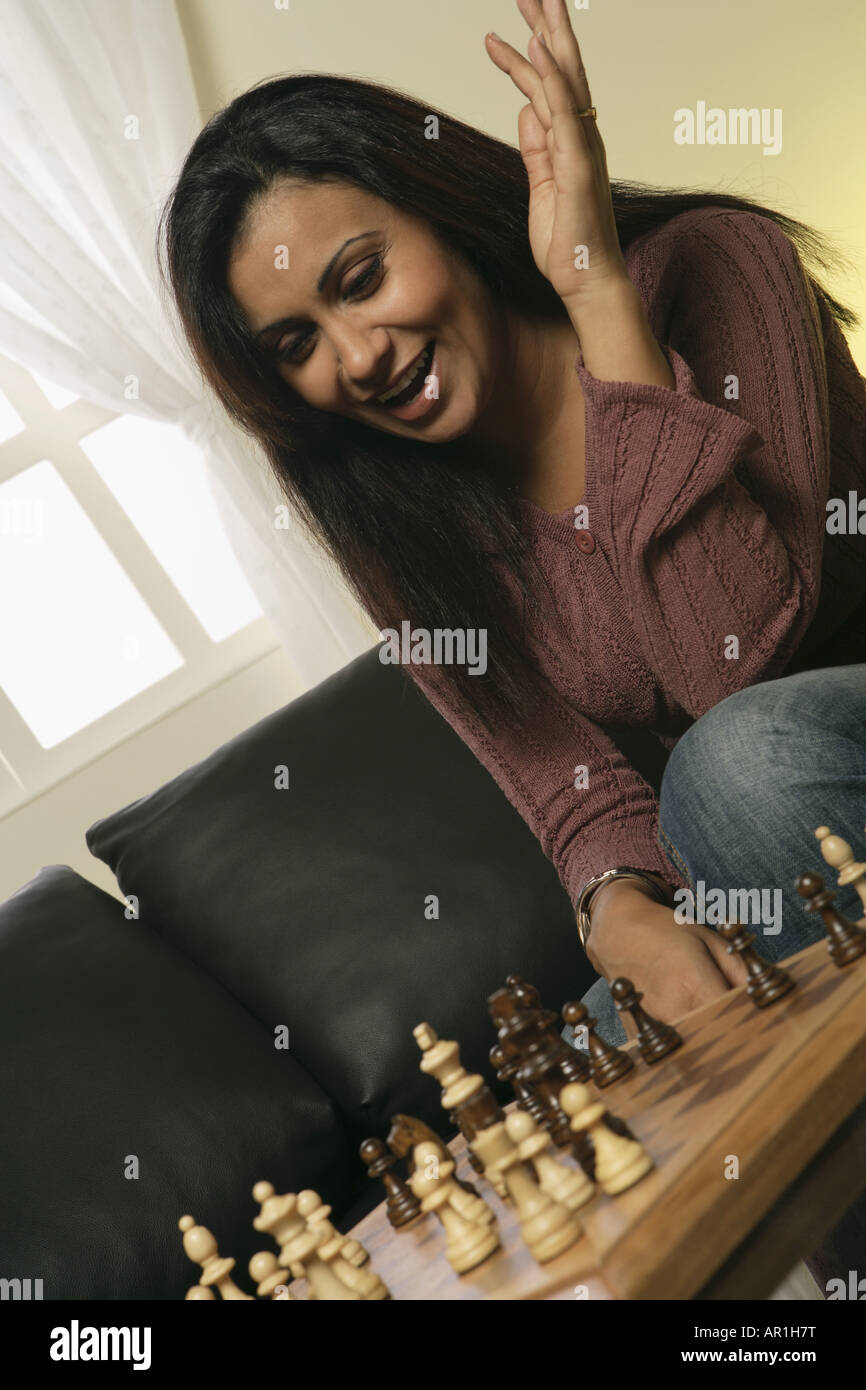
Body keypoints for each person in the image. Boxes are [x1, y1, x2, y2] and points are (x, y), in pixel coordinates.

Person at [159, 0, 866, 1288]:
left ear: (435, 205)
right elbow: (564, 779)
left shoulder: (715, 267)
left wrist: (598, 291)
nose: (358, 359)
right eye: (297, 347)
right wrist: (612, 908)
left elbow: (733, 662)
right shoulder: (401, 523)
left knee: (738, 766)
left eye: (361, 278)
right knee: (591, 1054)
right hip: (767, 866)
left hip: (819, 757)